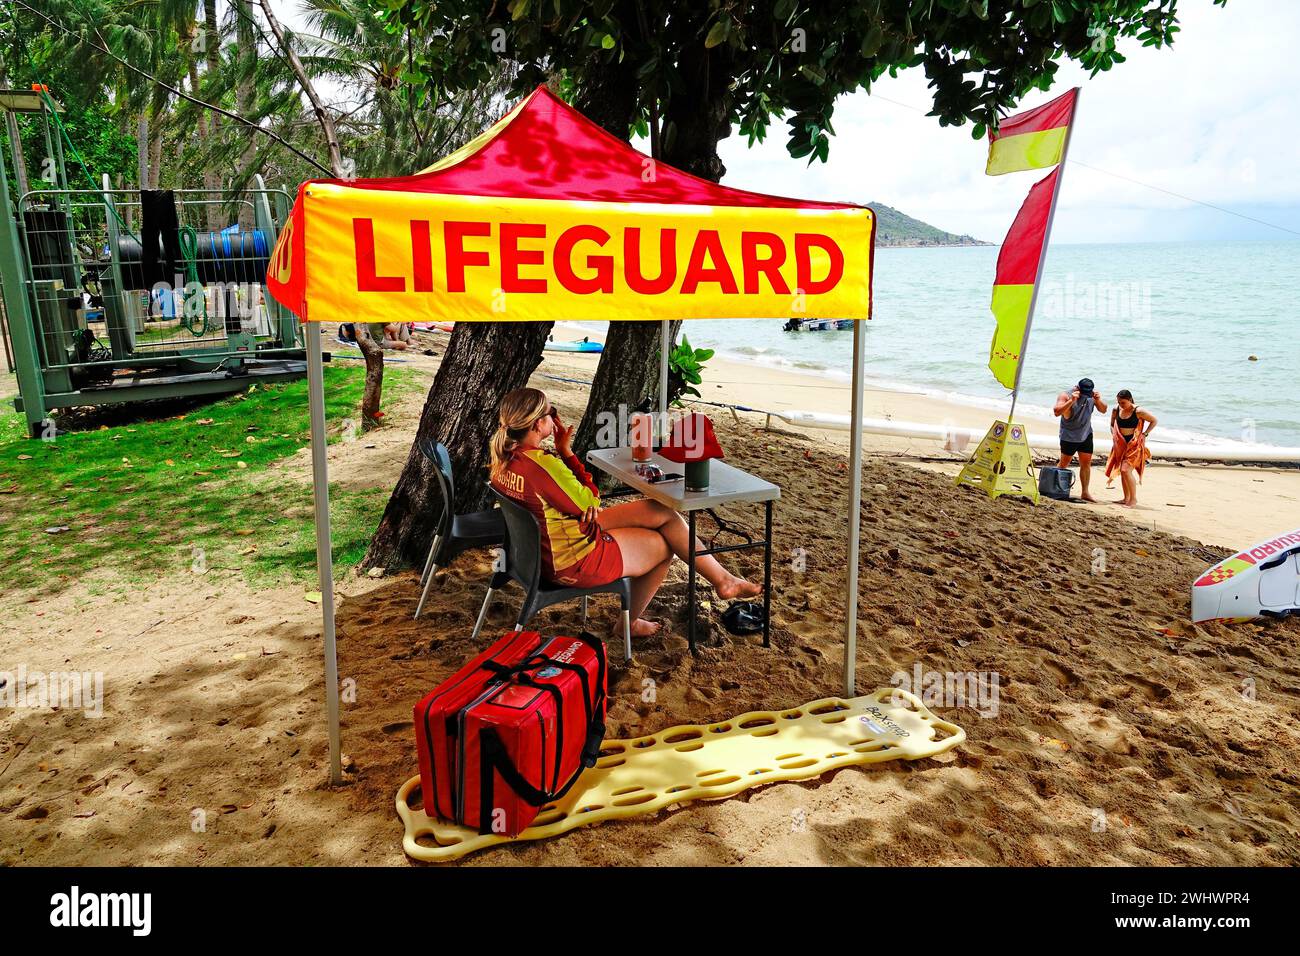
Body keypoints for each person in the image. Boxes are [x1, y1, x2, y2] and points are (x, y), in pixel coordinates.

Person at [489, 388, 761, 641]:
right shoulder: (542, 466)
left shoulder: (504, 460)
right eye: (553, 412)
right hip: (573, 559)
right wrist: (567, 453)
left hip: (541, 550)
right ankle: (628, 623)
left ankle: (724, 580)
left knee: (660, 511)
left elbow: (577, 507)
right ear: (538, 424)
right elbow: (591, 499)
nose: (555, 418)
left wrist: (567, 469)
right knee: (665, 547)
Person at [1053, 377, 1108, 502]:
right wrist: (1072, 400)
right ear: (1077, 388)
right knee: (1063, 464)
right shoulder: (1065, 395)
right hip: (1069, 435)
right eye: (1084, 393)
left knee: (1086, 464)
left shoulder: (1092, 396)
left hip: (1086, 434)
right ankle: (1054, 488)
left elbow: (1104, 410)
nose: (1085, 396)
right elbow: (1056, 411)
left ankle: (1085, 492)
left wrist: (1098, 400)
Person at [1106, 389, 1156, 507]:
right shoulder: (1116, 409)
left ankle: (1133, 499)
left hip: (1134, 445)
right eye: (1118, 402)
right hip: (1120, 445)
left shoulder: (1138, 411)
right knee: (1123, 472)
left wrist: (1145, 434)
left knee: (1125, 470)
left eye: (1123, 402)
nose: (1120, 405)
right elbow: (1112, 425)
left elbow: (1154, 421)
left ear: (1130, 400)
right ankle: (1126, 498)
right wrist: (1115, 436)